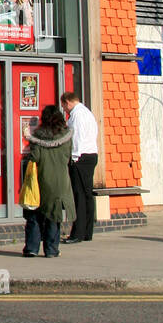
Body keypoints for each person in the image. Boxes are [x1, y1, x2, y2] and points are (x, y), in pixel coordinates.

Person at [22, 103, 74, 257]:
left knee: (34, 215)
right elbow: (68, 156)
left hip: (40, 180)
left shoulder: (38, 137)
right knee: (54, 216)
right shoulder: (66, 137)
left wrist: (29, 141)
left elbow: (35, 157)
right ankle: (51, 249)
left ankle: (31, 248)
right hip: (60, 182)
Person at [61, 91, 98, 242]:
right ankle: (87, 232)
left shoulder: (77, 115)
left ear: (68, 102)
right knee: (87, 195)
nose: (64, 109)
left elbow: (77, 137)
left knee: (79, 196)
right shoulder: (87, 112)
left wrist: (74, 158)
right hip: (91, 154)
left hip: (81, 157)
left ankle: (77, 233)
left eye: (64, 106)